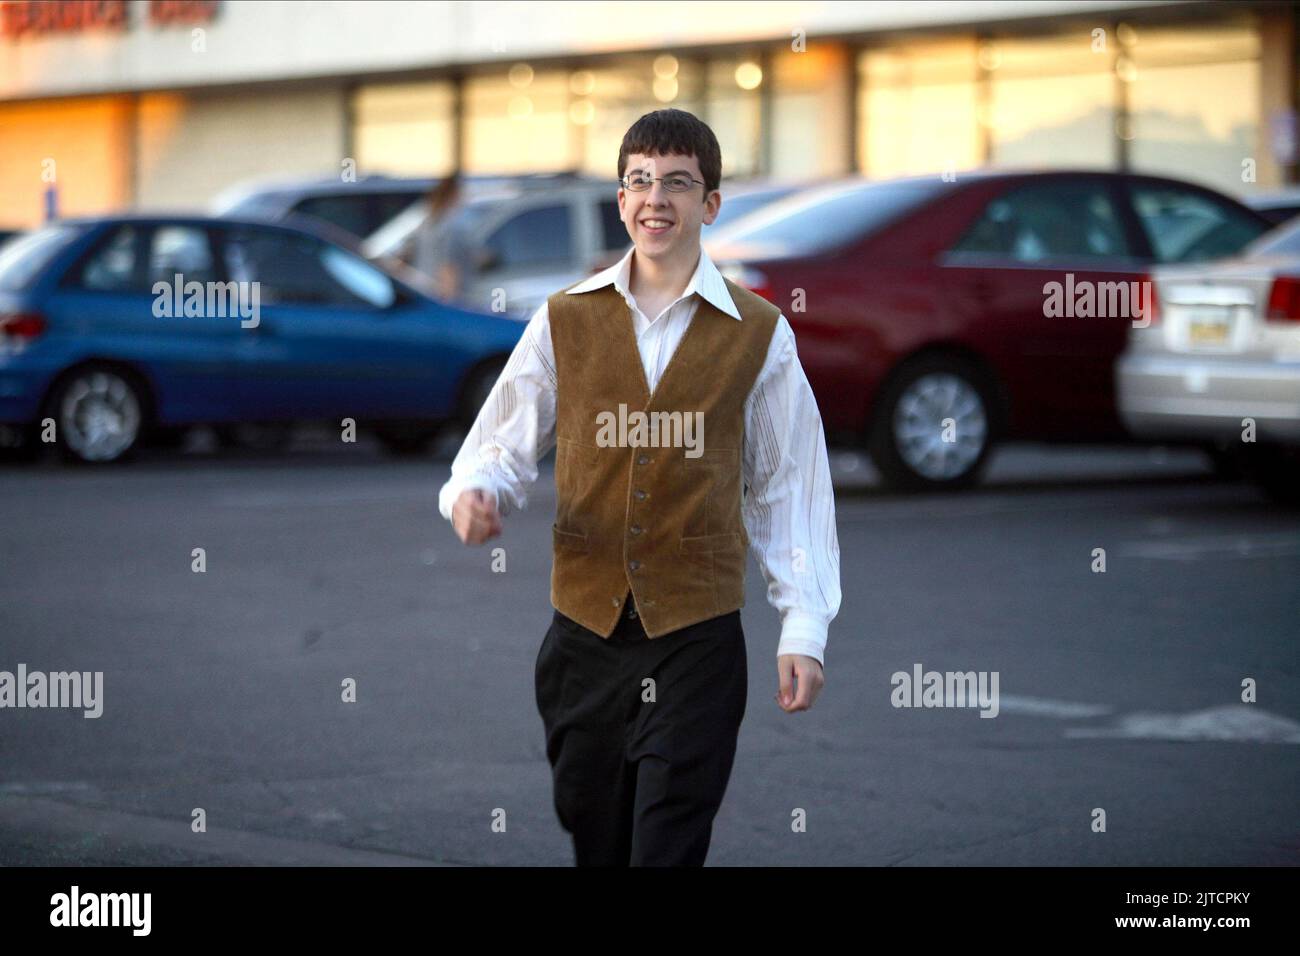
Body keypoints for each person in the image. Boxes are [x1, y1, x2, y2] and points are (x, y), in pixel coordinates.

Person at [437, 108, 841, 866]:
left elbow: (789, 485)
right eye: (640, 181)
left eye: (679, 183)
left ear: (710, 204)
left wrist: (804, 628)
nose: (657, 199)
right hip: (582, 642)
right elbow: (498, 443)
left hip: (697, 642)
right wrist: (475, 493)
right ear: (621, 200)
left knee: (666, 846)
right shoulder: (565, 319)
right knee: (598, 836)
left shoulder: (760, 332)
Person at [409, 170, 475, 304]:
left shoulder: (427, 224)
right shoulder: (452, 226)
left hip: (423, 292)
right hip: (441, 295)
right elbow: (448, 267)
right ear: (455, 194)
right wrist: (449, 302)